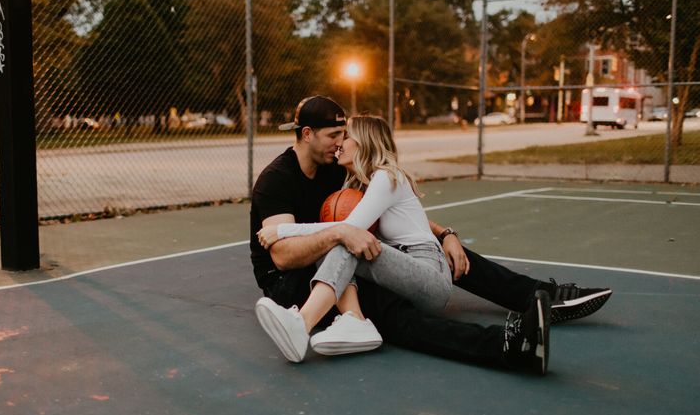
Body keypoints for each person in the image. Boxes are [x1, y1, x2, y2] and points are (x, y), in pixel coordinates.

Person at [249, 96, 611, 375]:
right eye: (333, 136)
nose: (340, 143)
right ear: (307, 134)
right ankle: (506, 345)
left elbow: (384, 213)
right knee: (395, 315)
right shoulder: (277, 180)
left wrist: (445, 234)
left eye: (344, 136)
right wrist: (339, 232)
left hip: (340, 258)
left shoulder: (334, 167)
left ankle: (540, 295)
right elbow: (282, 256)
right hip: (289, 280)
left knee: (449, 255)